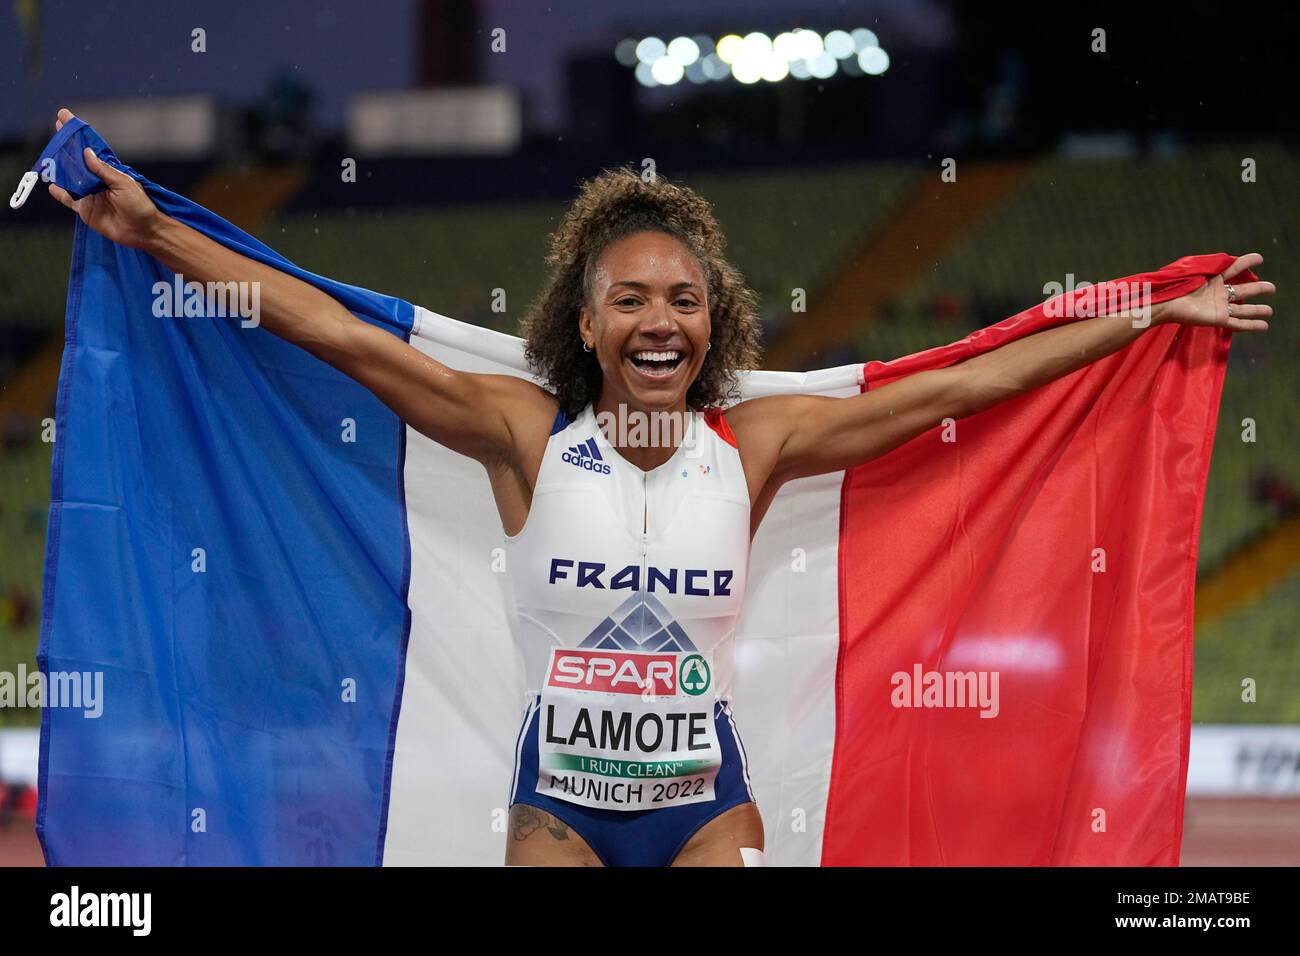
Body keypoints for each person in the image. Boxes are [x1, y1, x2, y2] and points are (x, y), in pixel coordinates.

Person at [44, 107, 1274, 867]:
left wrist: (1152, 312)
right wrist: (156, 235)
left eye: (681, 298)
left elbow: (965, 390)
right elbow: (343, 339)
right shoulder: (521, 432)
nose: (657, 317)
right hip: (558, 815)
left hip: (704, 814)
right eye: (629, 297)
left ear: (714, 321)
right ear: (584, 321)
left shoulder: (763, 443)